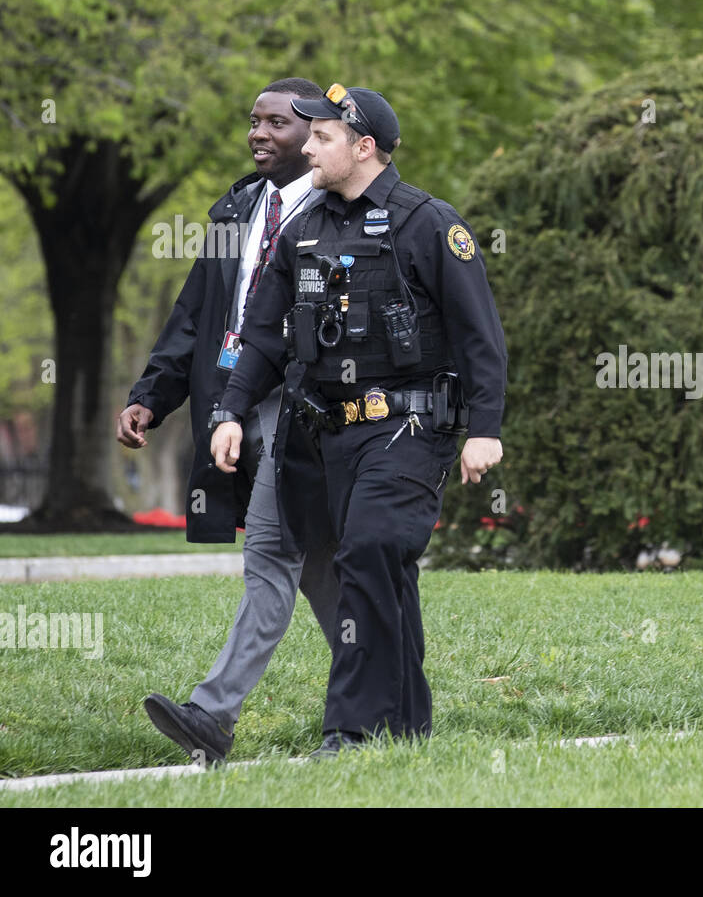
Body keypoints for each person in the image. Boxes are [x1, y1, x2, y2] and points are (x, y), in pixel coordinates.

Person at [210, 83, 507, 758]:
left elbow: (480, 338)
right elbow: (263, 338)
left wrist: (485, 429)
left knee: (368, 550)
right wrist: (230, 412)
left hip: (410, 428)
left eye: (321, 138)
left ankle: (352, 729)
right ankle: (407, 726)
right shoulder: (304, 228)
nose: (306, 148)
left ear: (363, 146)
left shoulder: (429, 224)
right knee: (384, 571)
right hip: (333, 435)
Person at [118, 78, 340, 764]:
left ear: (314, 133)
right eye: (254, 122)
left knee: (274, 556)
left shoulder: (344, 212)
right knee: (321, 565)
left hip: (303, 407)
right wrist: (151, 396)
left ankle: (212, 716)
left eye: (277, 123)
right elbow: (196, 317)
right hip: (233, 404)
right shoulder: (237, 211)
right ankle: (389, 698)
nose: (259, 134)